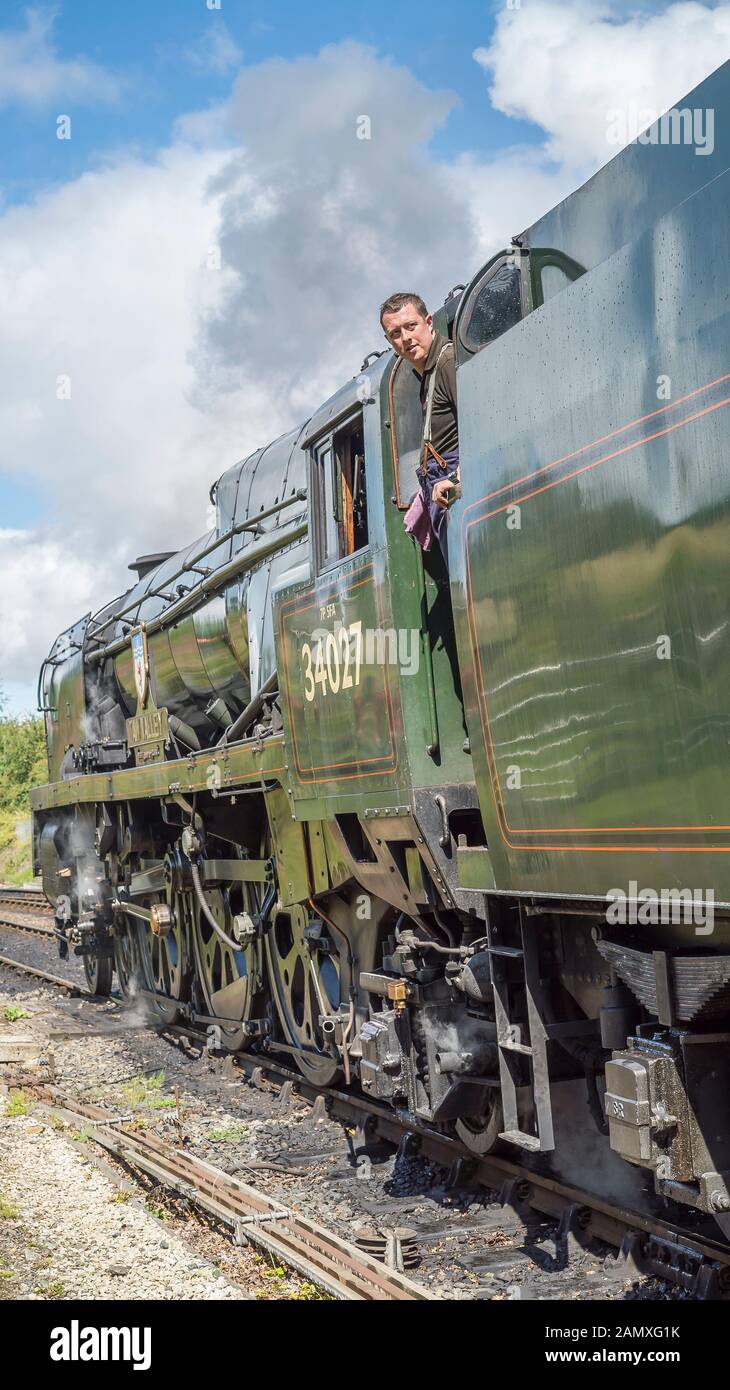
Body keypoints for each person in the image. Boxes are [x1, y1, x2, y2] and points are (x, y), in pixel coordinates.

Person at [380, 292, 460, 564]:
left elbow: (484, 427)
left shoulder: (448, 362)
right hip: (440, 493)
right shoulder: (426, 373)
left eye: (411, 326)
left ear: (428, 322)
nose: (405, 338)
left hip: (455, 491)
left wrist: (458, 480)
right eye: (395, 333)